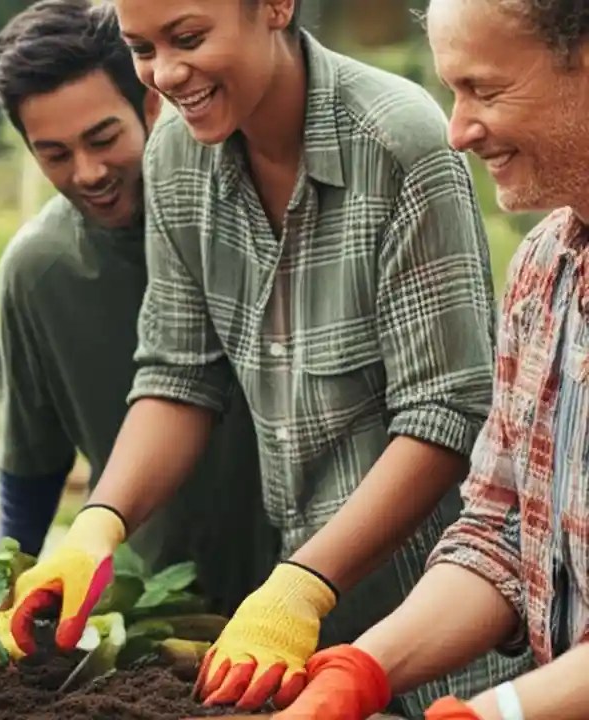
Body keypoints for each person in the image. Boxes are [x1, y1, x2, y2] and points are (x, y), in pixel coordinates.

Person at [0, 0, 532, 715]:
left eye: (188, 38)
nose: (167, 74)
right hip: (297, 634)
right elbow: (178, 374)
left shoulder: (396, 143)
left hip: (435, 620)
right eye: (141, 49)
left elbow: (446, 410)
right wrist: (99, 524)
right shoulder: (178, 158)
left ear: (276, 7)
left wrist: (303, 583)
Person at [273, 1, 589, 718]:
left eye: (484, 89)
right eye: (453, 91)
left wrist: (501, 711)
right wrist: (365, 667)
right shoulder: (545, 270)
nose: (458, 129)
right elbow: (501, 531)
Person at [0, 0, 276, 612]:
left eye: (103, 138)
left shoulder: (251, 210)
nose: (88, 172)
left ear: (149, 102)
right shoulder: (40, 272)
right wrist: (1, 600)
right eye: (54, 153)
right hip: (161, 609)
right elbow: (31, 469)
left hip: (309, 585)